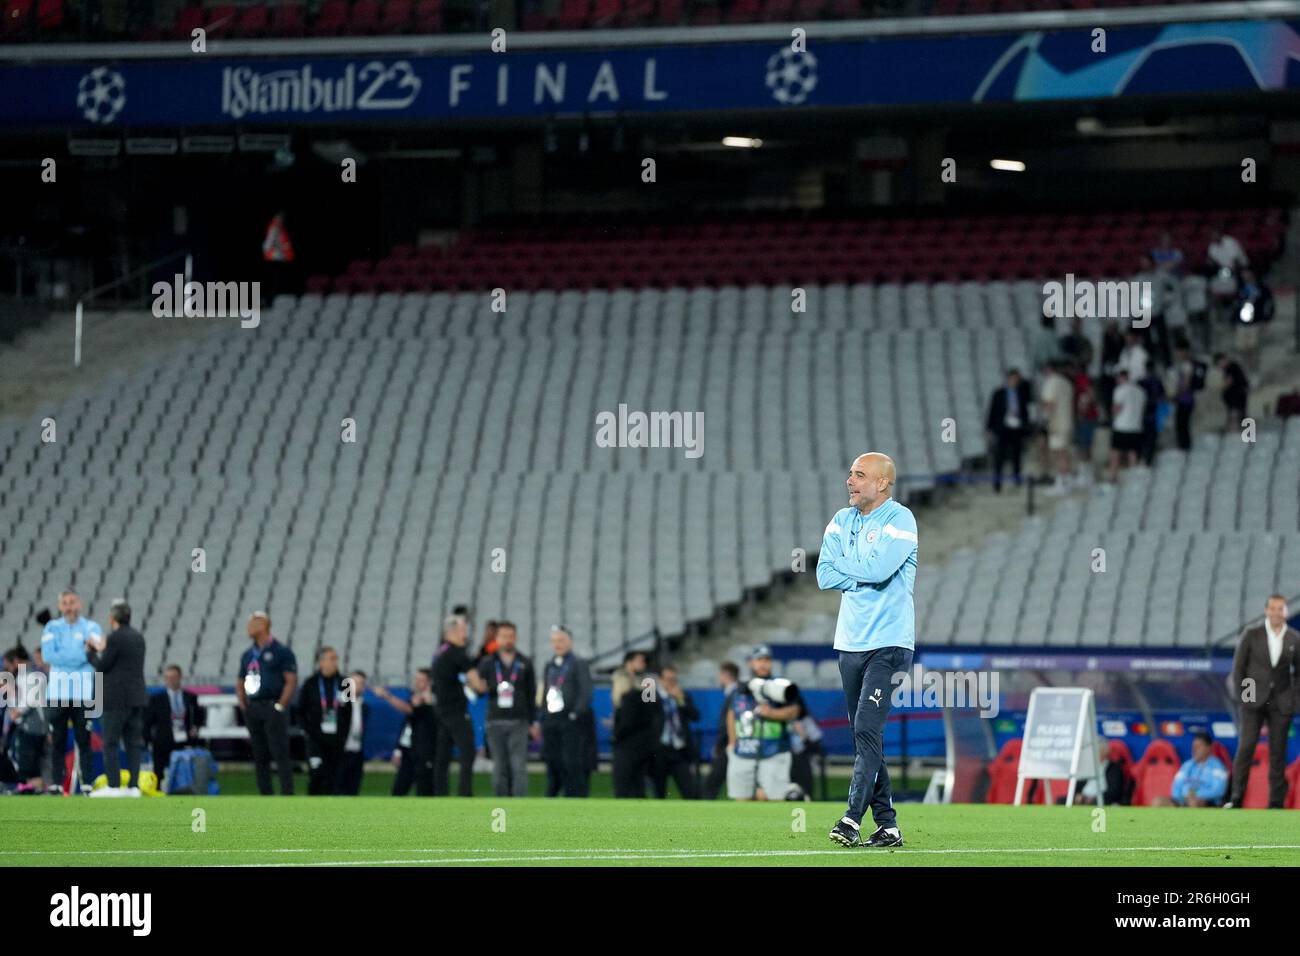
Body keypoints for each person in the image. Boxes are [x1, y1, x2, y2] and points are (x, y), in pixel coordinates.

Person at [817, 452, 918, 848]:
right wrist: (862, 573)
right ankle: (888, 825)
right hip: (850, 642)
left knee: (866, 729)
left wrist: (850, 569)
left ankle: (850, 819)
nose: (850, 481)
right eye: (849, 474)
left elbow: (879, 572)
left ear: (882, 483)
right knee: (867, 737)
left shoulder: (900, 519)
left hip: (890, 644)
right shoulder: (842, 519)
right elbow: (824, 574)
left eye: (859, 475)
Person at [1226, 595, 1297, 809]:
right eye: (1273, 608)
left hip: (1281, 703)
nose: (1277, 612)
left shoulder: (1294, 638)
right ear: (1266, 610)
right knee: (1246, 747)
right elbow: (1239, 669)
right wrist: (1245, 698)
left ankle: (1276, 803)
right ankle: (1236, 798)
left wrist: (1294, 700)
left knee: (1278, 753)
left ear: (1285, 611)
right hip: (1253, 700)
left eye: (1281, 608)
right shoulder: (1252, 635)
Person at [725, 646, 803, 802]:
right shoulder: (740, 689)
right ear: (750, 663)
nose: (763, 664)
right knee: (741, 798)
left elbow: (794, 711)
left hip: (774, 749)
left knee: (776, 798)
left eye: (767, 660)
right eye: (759, 660)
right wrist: (732, 743)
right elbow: (731, 714)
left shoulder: (781, 687)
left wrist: (771, 714)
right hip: (744, 749)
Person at [86, 599, 148, 795]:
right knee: (133, 744)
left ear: (112, 619)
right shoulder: (139, 637)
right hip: (136, 697)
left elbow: (103, 666)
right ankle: (134, 787)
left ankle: (113, 786)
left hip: (115, 699)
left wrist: (91, 652)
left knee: (110, 742)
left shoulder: (115, 637)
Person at [41, 590, 100, 794]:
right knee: (57, 740)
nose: (68, 606)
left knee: (84, 740)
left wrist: (64, 656)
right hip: (57, 693)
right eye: (64, 603)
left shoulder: (92, 627)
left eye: (72, 602)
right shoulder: (51, 627)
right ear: (59, 606)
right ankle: (57, 783)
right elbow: (49, 655)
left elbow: (95, 652)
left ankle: (87, 783)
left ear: (79, 604)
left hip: (84, 693)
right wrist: (80, 654)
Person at [236, 611, 297, 796]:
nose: (248, 627)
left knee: (279, 752)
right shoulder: (247, 654)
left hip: (272, 706)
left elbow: (291, 680)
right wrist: (243, 703)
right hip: (254, 707)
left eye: (252, 622)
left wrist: (280, 705)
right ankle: (265, 793)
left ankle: (287, 793)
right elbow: (240, 680)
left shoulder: (281, 652)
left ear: (264, 624)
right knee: (259, 753)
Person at [475, 621, 535, 797]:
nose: (507, 640)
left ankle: (520, 806)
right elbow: (478, 691)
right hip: (495, 721)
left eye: (510, 636)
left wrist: (533, 722)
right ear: (497, 638)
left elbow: (531, 695)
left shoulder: (525, 662)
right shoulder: (487, 662)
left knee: (518, 766)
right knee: (499, 766)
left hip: (519, 721)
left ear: (515, 638)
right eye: (503, 636)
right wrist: (479, 687)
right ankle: (501, 806)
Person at [431, 614, 486, 796]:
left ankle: (440, 794)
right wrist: (480, 686)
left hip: (441, 711)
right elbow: (475, 681)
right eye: (463, 630)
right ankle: (465, 793)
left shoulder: (440, 652)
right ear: (454, 631)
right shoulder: (457, 653)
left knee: (442, 757)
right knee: (467, 752)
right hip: (456, 711)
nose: (466, 634)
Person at [537, 625, 592, 797]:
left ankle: (575, 795)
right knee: (553, 759)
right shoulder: (550, 665)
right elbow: (546, 690)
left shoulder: (578, 663)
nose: (557, 645)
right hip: (551, 718)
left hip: (570, 719)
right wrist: (543, 715)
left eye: (561, 640)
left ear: (570, 642)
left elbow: (585, 691)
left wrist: (575, 713)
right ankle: (554, 793)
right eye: (554, 641)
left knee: (571, 760)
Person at [375, 669, 436, 796]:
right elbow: (407, 725)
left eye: (421, 680)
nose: (417, 683)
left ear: (429, 682)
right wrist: (398, 749)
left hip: (425, 753)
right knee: (398, 790)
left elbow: (409, 710)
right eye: (416, 679)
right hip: (409, 751)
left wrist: (387, 696)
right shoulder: (414, 697)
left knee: (424, 791)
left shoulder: (433, 701)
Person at [611, 650, 659, 798]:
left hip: (639, 739)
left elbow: (651, 708)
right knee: (624, 780)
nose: (643, 664)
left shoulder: (647, 681)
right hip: (629, 738)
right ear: (629, 663)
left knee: (637, 781)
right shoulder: (621, 679)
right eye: (640, 661)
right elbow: (623, 706)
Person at [298, 647, 346, 795]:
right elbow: (301, 709)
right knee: (316, 772)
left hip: (336, 739)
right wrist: (307, 732)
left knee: (333, 776)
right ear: (322, 662)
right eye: (331, 658)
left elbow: (349, 711)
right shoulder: (310, 683)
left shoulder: (346, 683)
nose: (335, 662)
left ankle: (330, 809)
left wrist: (343, 735)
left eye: (336, 658)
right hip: (315, 737)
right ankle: (312, 804)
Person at [144, 665, 202, 785]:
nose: (170, 680)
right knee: (158, 773)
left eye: (173, 677)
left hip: (184, 740)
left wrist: (195, 728)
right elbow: (147, 722)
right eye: (167, 677)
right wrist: (149, 740)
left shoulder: (190, 697)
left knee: (186, 772)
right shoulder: (156, 699)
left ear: (180, 677)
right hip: (163, 740)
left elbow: (198, 717)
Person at [651, 664, 699, 799]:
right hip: (659, 750)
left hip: (679, 749)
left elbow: (695, 716)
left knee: (690, 791)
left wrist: (680, 700)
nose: (671, 683)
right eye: (668, 679)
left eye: (674, 679)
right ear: (660, 680)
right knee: (658, 791)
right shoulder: (651, 697)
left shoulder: (682, 696)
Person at [985, 367, 1031, 493]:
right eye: (1013, 378)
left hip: (1017, 429)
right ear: (1008, 378)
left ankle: (1017, 479)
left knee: (1017, 456)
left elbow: (1025, 412)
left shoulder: (1021, 393)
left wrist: (1026, 427)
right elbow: (992, 411)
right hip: (1002, 429)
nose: (1015, 381)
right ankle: (997, 484)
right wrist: (989, 429)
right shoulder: (998, 393)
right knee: (999, 457)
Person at [703, 661, 739, 800]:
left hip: (729, 742)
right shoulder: (735, 693)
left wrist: (721, 744)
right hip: (731, 742)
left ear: (725, 675)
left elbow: (728, 722)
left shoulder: (734, 694)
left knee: (713, 781)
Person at [1037, 361, 1074, 495]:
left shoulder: (1051, 382)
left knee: (1059, 455)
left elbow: (1049, 404)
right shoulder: (1066, 382)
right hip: (1067, 421)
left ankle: (1061, 484)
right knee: (1064, 453)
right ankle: (1067, 482)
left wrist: (1046, 421)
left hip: (1056, 423)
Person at [1166, 732, 1229, 808]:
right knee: (1159, 801)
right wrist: (1182, 797)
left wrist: (1196, 794)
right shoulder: (1187, 765)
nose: (1194, 750)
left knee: (1193, 802)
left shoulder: (1217, 766)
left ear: (1209, 748)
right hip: (1184, 800)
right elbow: (1176, 788)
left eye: (1199, 746)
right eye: (1193, 746)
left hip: (1207, 802)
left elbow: (1218, 791)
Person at [1107, 370, 1145, 482]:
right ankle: (1133, 479)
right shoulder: (1140, 391)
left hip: (1122, 426)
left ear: (1121, 377)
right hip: (1136, 426)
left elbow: (1117, 408)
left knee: (1115, 453)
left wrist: (1112, 411)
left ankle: (1113, 477)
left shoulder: (1120, 390)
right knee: (1132, 453)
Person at [337, 671, 369, 795]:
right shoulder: (340, 703)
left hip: (356, 751)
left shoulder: (364, 706)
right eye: (354, 682)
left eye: (361, 683)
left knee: (353, 788)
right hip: (341, 752)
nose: (357, 686)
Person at [1137, 361, 1166, 466]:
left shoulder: (1142, 382)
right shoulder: (1154, 382)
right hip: (1149, 414)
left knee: (1146, 438)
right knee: (1149, 438)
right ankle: (1146, 459)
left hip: (1146, 414)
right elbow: (1162, 397)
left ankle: (1145, 459)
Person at [1214, 353, 1249, 432]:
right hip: (1238, 395)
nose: (1220, 366)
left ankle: (1235, 429)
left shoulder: (1231, 367)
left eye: (1219, 363)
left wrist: (1218, 389)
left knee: (1235, 414)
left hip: (1237, 395)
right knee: (1238, 414)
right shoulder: (1231, 367)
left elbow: (1228, 382)